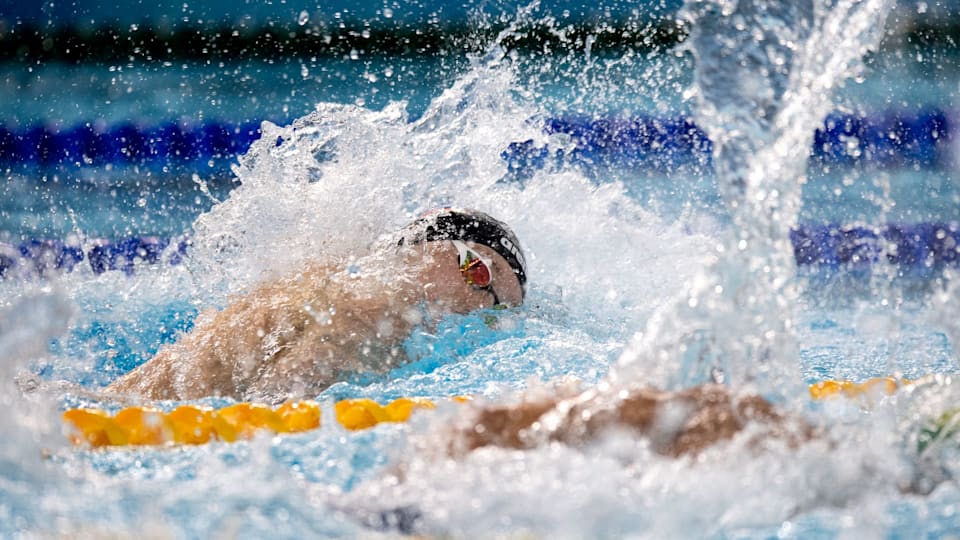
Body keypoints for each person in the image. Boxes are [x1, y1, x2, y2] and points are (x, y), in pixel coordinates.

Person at [105, 208, 528, 403]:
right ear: (424, 247)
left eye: (497, 312)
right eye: (477, 273)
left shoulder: (349, 278)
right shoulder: (375, 305)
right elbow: (273, 404)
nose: (478, 306)